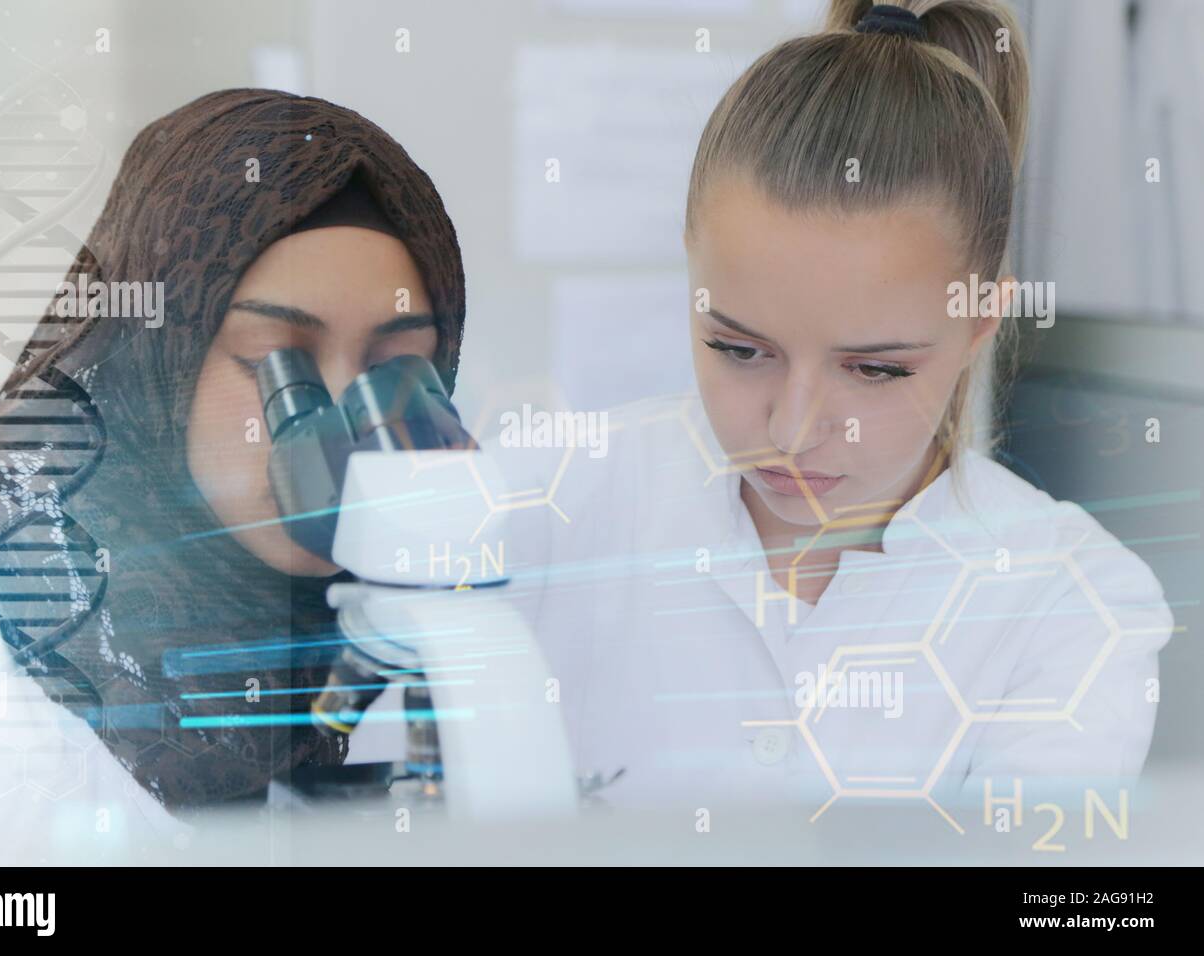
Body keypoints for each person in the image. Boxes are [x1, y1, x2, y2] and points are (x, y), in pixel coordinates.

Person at [498, 0, 1175, 819]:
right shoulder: (548, 501)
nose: (790, 431)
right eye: (740, 350)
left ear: (980, 321)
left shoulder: (1071, 605)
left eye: (875, 369)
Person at [0, 88, 467, 814]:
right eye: (275, 360)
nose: (340, 429)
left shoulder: (372, 626)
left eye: (396, 370)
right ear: (155, 355)